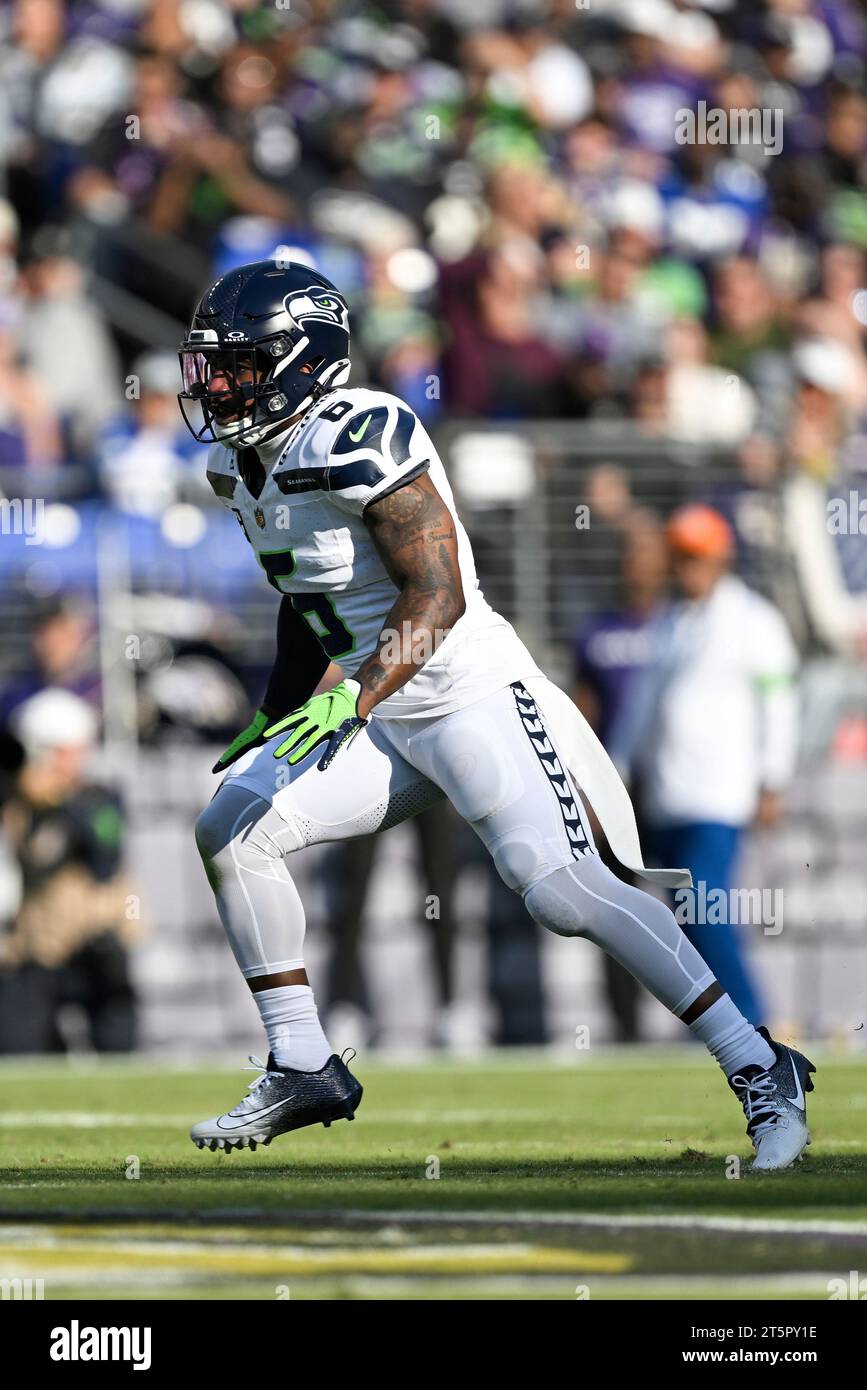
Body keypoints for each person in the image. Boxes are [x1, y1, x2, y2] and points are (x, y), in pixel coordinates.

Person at [181, 259, 814, 1169]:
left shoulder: (360, 430)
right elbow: (306, 590)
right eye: (218, 364)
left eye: (243, 362)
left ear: (304, 358)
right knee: (230, 827)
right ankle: (305, 1060)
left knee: (563, 891)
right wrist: (281, 706)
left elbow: (434, 592)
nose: (222, 383)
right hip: (378, 711)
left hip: (464, 691)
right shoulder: (236, 466)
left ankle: (759, 1065)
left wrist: (350, 697)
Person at [610, 505, 800, 1025]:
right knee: (685, 921)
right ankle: (724, 1027)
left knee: (705, 909)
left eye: (695, 557)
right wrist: (620, 771)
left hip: (719, 795)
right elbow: (641, 708)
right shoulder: (671, 622)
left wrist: (773, 778)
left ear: (720, 559)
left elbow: (779, 704)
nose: (685, 568)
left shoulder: (755, 620)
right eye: (679, 557)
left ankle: (753, 1023)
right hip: (668, 796)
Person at [0, 689, 138, 1053]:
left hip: (96, 938)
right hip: (36, 945)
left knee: (116, 1038)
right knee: (20, 1043)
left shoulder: (98, 798)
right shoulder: (15, 800)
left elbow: (105, 855)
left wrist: (61, 805)